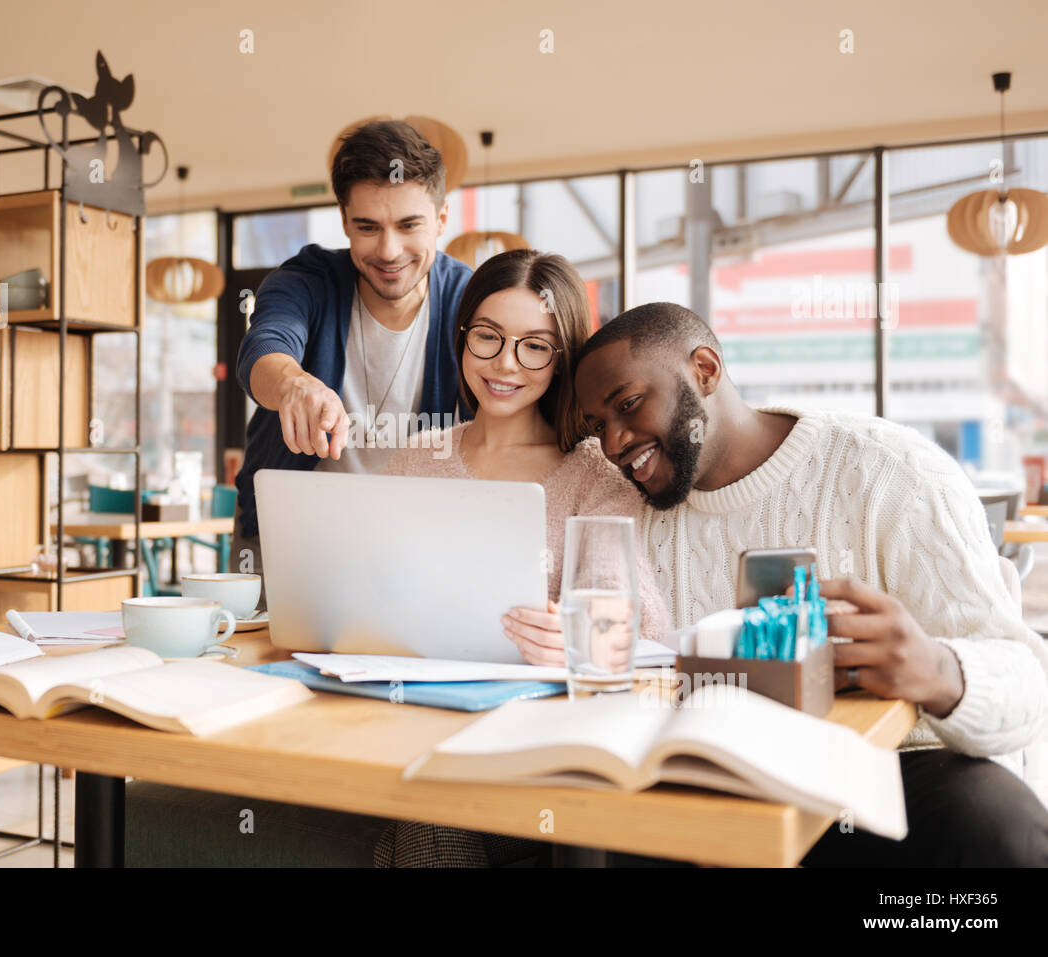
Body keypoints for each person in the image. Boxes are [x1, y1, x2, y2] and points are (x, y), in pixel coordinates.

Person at [570, 300, 1048, 866]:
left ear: (704, 371)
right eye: (597, 426)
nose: (614, 443)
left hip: (891, 769)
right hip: (710, 783)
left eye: (628, 405)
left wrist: (939, 668)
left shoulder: (891, 470)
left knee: (999, 829)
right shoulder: (623, 513)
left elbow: (1027, 687)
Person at [370, 249, 672, 868]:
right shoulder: (415, 458)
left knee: (433, 813)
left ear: (562, 360)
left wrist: (585, 637)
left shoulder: (595, 473)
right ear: (463, 339)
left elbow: (642, 625)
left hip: (538, 754)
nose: (505, 364)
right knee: (427, 801)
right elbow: (376, 594)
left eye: (535, 346)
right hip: (413, 724)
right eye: (488, 338)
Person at [232, 120, 473, 573]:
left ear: (441, 220)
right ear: (343, 220)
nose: (389, 250)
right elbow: (265, 344)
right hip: (288, 535)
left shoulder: (472, 300)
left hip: (425, 540)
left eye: (409, 225)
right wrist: (293, 385)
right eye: (367, 227)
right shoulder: (307, 279)